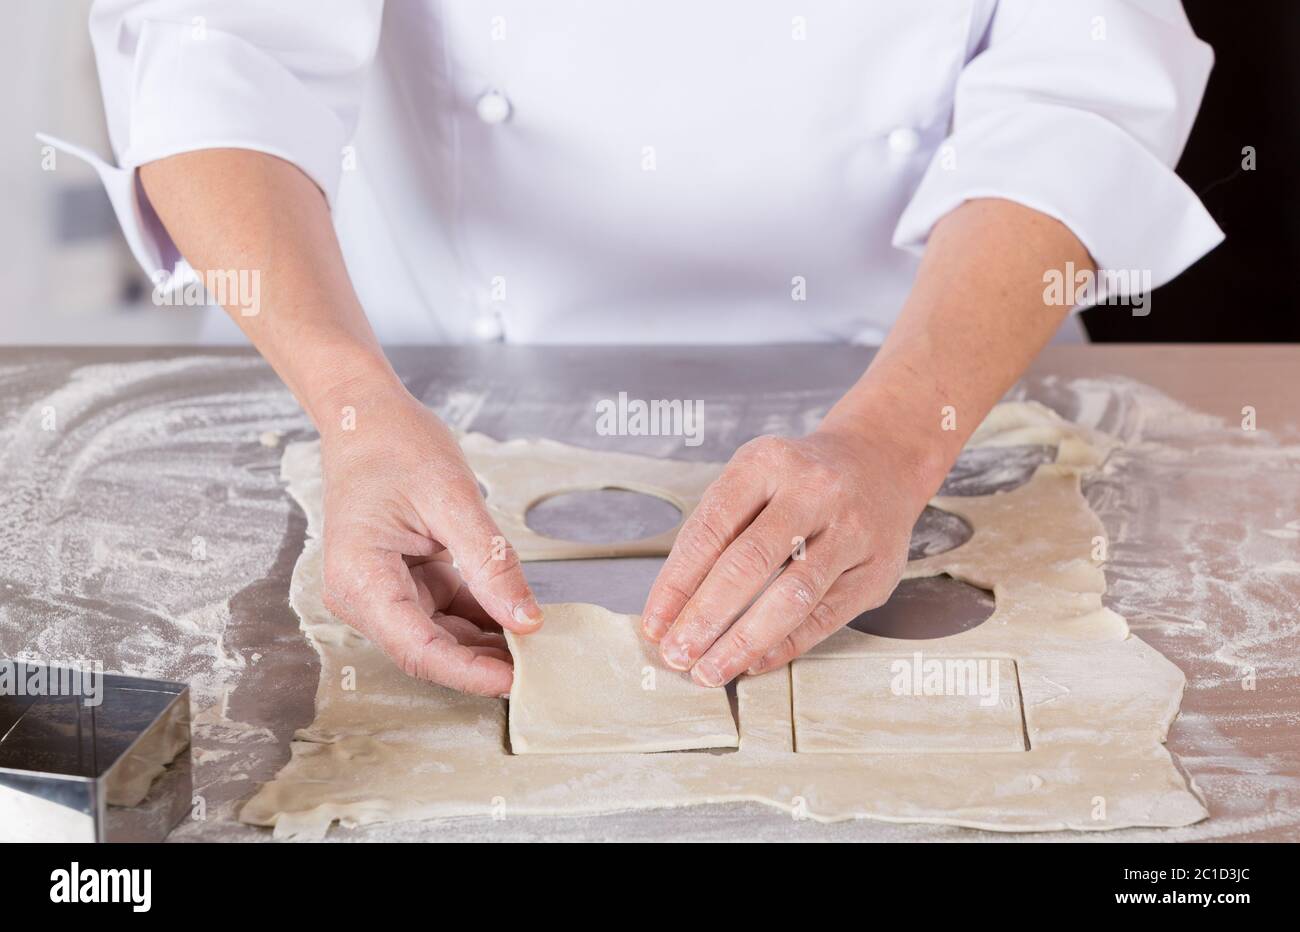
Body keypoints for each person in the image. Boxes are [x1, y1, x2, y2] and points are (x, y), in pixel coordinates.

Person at [51, 1, 1221, 696]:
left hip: (943, 348)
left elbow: (1082, 84)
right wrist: (355, 410)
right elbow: (218, 44)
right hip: (417, 346)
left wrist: (897, 434)